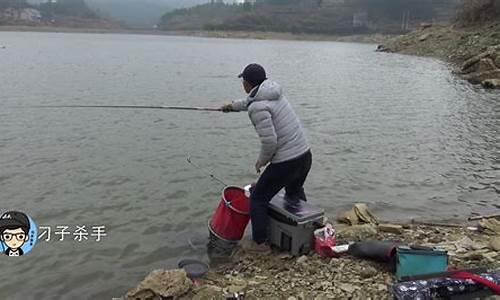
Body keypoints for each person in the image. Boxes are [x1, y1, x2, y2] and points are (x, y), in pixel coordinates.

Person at [221, 63, 312, 252]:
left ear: (247, 83)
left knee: (258, 198)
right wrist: (232, 106)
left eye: (243, 81)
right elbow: (251, 102)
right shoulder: (271, 92)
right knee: (294, 191)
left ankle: (260, 243)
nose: (243, 85)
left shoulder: (257, 108)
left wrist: (261, 161)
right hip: (304, 155)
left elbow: (270, 142)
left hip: (288, 161)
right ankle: (307, 230)